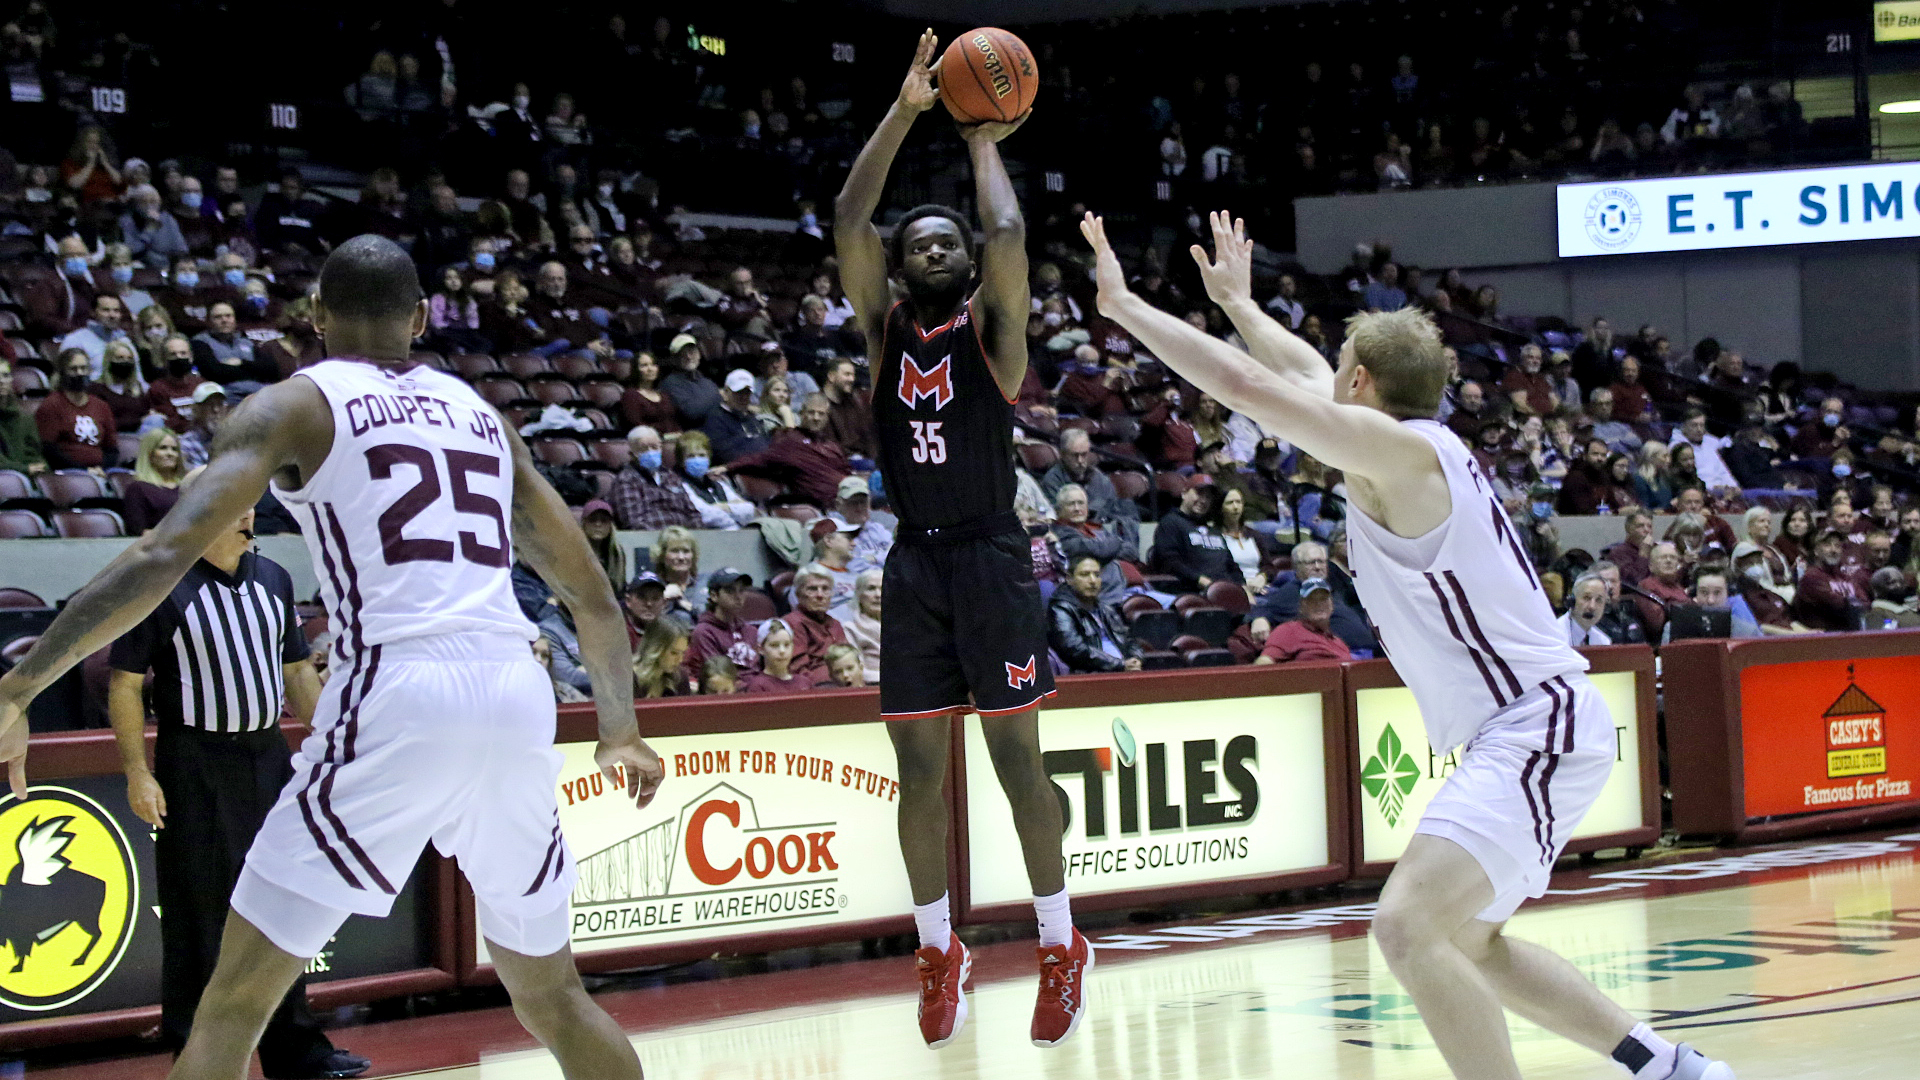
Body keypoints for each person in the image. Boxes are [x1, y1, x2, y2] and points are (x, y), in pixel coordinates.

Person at [1080, 209, 1735, 1080]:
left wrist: (1123, 307)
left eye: (1339, 376)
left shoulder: (1403, 457)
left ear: (1361, 386)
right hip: (1529, 724)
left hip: (1531, 725)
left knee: (1404, 928)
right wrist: (1238, 303)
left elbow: (1256, 388)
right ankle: (1667, 1066)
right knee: (1468, 942)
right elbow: (1299, 369)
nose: (1328, 380)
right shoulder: (1406, 445)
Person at [0, 235, 663, 1080]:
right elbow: (594, 599)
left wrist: (18, 687)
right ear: (422, 317)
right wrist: (620, 730)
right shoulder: (482, 416)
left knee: (232, 1008)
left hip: (400, 688)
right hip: (514, 688)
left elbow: (159, 557)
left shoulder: (295, 406)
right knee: (553, 996)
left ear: (314, 316)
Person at [836, 31, 1089, 1050]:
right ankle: (939, 948)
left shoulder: (996, 336)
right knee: (920, 770)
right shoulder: (882, 328)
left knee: (1017, 765)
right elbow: (851, 215)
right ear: (902, 269)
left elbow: (1012, 242)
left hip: (990, 553)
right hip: (915, 559)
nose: (938, 249)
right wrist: (907, 108)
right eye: (921, 244)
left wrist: (984, 141)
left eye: (951, 242)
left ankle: (1061, 944)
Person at [105, 480, 369, 1079]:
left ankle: (296, 1050)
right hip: (193, 761)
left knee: (282, 904)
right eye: (233, 500)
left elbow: (299, 670)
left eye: (250, 500)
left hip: (269, 756)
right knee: (199, 914)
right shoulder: (161, 581)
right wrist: (137, 772)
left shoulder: (274, 578)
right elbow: (123, 684)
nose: (248, 510)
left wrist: (335, 744)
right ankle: (195, 1055)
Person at [1047, 555, 1144, 673]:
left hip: (1123, 671)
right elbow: (1074, 649)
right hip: (1088, 676)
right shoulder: (1060, 608)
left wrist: (1136, 659)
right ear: (1069, 579)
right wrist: (1120, 664)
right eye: (1085, 575)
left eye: (1097, 575)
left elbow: (1129, 640)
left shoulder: (1105, 608)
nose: (1093, 581)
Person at [1149, 474, 1241, 591]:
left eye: (1208, 497)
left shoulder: (1213, 531)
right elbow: (1170, 563)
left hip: (1226, 590)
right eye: (1199, 493)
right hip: (1192, 591)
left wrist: (1243, 588)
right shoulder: (1170, 523)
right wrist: (1200, 580)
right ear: (1184, 493)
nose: (1204, 500)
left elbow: (1231, 566)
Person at [36, 347, 119, 469]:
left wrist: (101, 468)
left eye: (83, 368)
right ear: (63, 372)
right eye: (73, 369)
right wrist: (84, 470)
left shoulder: (101, 406)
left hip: (101, 470)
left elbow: (111, 449)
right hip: (68, 471)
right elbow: (49, 449)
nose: (80, 373)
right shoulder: (51, 405)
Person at [608, 425, 700, 530]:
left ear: (661, 448)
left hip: (685, 539)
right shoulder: (626, 480)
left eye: (655, 447)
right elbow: (633, 523)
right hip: (652, 540)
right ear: (632, 454)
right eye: (643, 449)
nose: (651, 452)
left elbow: (693, 514)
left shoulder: (671, 476)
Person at [681, 568, 761, 685]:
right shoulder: (704, 632)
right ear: (714, 596)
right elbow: (718, 678)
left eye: (741, 590)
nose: (738, 596)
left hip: (756, 693)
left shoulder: (751, 631)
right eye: (730, 591)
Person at [671, 430, 757, 529]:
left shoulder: (719, 484)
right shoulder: (679, 485)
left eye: (702, 455)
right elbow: (705, 515)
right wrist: (733, 511)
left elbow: (750, 510)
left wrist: (722, 506)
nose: (697, 459)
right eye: (691, 456)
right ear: (681, 462)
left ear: (709, 458)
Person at [1254, 577, 1352, 664]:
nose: (1318, 604)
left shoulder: (1339, 642)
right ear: (1301, 606)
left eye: (1323, 599)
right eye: (1311, 600)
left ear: (1331, 605)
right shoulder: (1289, 631)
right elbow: (1263, 663)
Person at [1793, 530, 1868, 632]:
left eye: (1837, 546)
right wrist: (1853, 602)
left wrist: (1854, 604)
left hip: (1849, 634)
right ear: (1816, 551)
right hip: (1823, 637)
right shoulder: (1811, 577)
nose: (1834, 550)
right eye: (1827, 545)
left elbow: (1866, 603)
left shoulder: (1846, 577)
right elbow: (1837, 605)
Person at [125, 428, 189, 533]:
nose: (170, 453)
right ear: (149, 453)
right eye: (163, 448)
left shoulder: (188, 485)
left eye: (174, 449)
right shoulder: (137, 489)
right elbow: (139, 532)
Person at [828, 475, 895, 574]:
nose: (859, 508)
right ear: (839, 505)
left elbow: (894, 555)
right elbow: (849, 565)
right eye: (853, 503)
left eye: (863, 502)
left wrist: (873, 558)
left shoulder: (877, 528)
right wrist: (878, 559)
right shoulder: (831, 529)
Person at [830, 569, 884, 685]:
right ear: (859, 594)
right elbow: (855, 670)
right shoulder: (850, 628)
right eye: (871, 589)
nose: (878, 595)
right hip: (871, 684)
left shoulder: (903, 626)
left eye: (882, 588)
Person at [0, 359, 48, 476]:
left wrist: (39, 465)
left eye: (5, 376)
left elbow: (33, 454)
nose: (1, 381)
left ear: (11, 381)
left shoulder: (25, 418)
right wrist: (24, 469)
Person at [739, 619, 814, 693]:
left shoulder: (804, 683)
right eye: (774, 645)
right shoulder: (757, 686)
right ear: (760, 649)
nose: (782, 651)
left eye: (787, 645)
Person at [631, 617, 690, 698]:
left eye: (683, 653)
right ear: (655, 649)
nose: (680, 660)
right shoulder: (627, 678)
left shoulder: (680, 678)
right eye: (674, 653)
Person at [579, 500, 624, 586]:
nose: (598, 524)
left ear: (610, 525)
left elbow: (619, 587)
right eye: (592, 520)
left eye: (604, 520)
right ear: (584, 523)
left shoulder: (617, 553)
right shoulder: (573, 551)